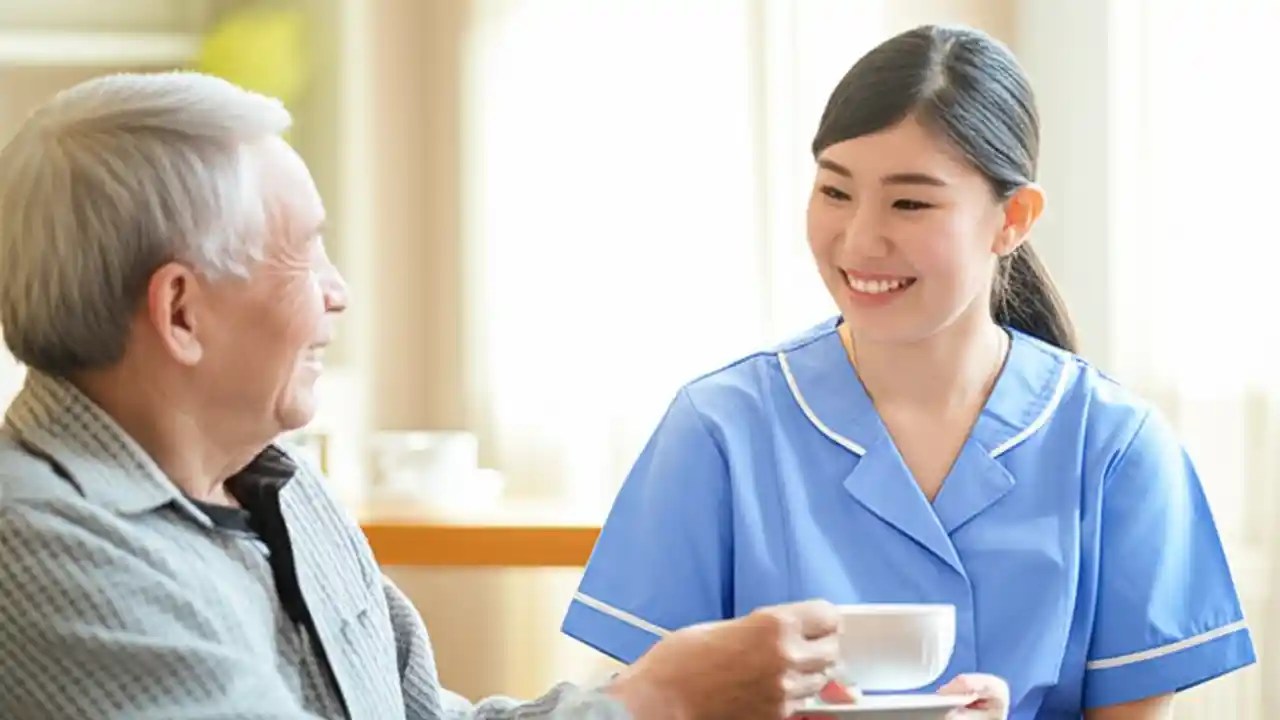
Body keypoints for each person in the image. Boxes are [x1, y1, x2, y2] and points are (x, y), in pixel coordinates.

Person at [0, 70, 854, 720]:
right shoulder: (34, 543)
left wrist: (685, 695)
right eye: (306, 254)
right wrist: (649, 702)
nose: (339, 291)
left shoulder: (283, 491)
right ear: (181, 311)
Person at [560, 24, 1256, 719]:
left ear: (1012, 218)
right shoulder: (719, 430)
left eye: (910, 202)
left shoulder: (1118, 449)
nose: (861, 240)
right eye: (835, 192)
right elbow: (647, 704)